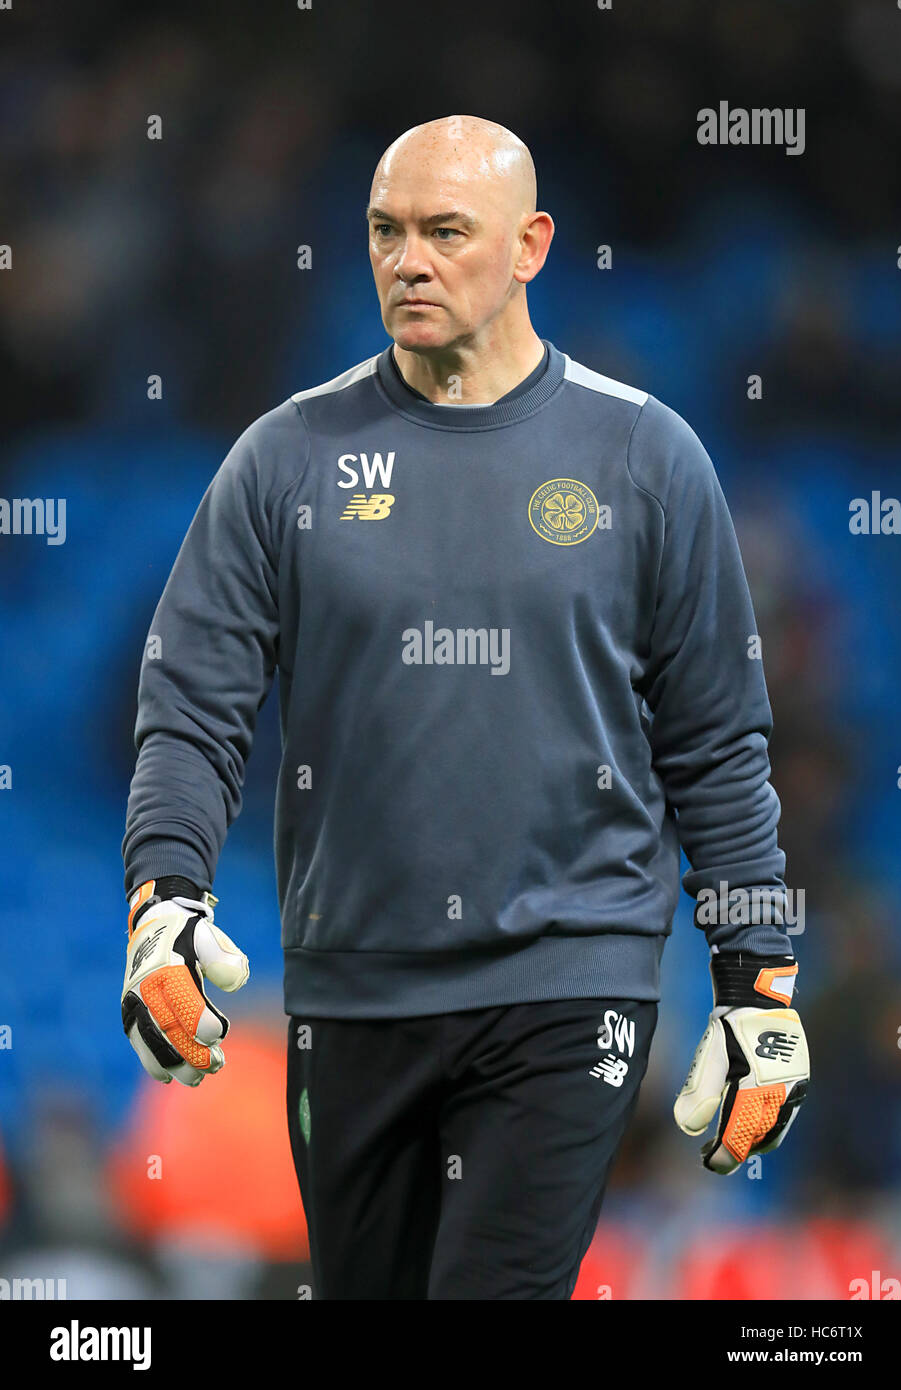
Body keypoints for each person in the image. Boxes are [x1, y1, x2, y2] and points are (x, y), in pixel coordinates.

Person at [121, 114, 809, 1300]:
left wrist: (762, 981)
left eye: (446, 232)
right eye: (387, 232)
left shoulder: (647, 459)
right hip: (352, 989)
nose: (409, 261)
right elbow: (191, 704)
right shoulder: (283, 463)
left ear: (533, 244)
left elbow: (718, 750)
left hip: (567, 981)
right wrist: (162, 899)